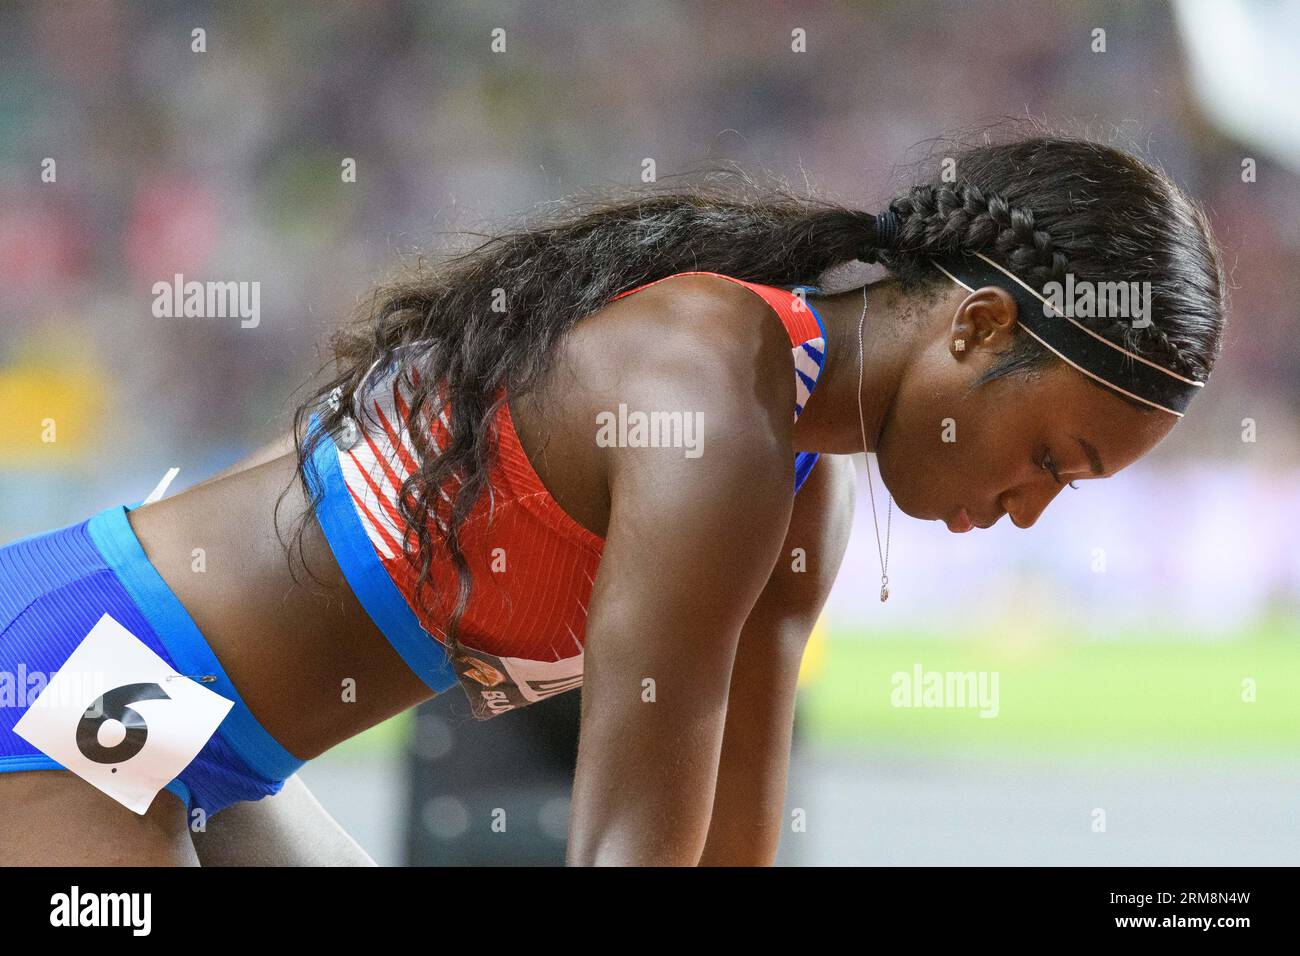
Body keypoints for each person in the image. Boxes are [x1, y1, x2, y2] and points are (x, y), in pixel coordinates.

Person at [0, 135, 1227, 866]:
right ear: (978, 326)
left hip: (188, 741)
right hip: (61, 689)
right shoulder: (705, 395)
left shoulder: (807, 490)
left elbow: (727, 845)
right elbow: (628, 850)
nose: (1028, 513)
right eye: (1055, 458)